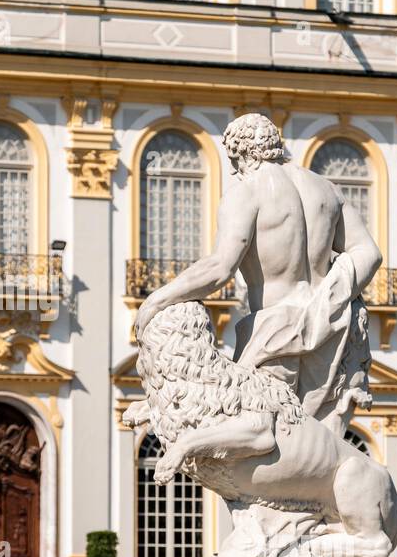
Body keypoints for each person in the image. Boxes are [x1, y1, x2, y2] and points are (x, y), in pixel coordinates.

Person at [132, 113, 381, 435]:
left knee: (256, 436)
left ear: (242, 154)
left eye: (234, 163)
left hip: (275, 331)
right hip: (332, 330)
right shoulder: (326, 189)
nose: (235, 171)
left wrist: (157, 299)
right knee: (315, 446)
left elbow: (220, 268)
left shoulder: (247, 191)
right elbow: (369, 253)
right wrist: (329, 298)